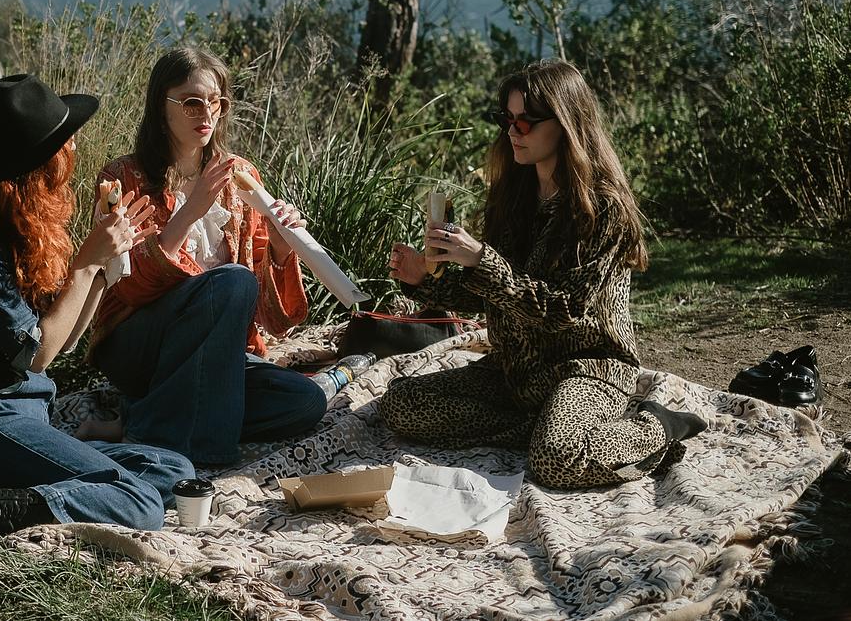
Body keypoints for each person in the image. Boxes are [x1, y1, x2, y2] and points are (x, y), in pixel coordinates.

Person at [378, 60, 706, 490]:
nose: (513, 131)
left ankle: (658, 427)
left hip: (587, 368)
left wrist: (483, 261)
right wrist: (426, 278)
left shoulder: (602, 208)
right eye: (507, 120)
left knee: (556, 461)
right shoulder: (514, 196)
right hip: (516, 372)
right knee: (402, 404)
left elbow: (563, 310)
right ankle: (547, 429)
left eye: (527, 121)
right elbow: (490, 299)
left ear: (567, 123)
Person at [0, 74, 195, 533]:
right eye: (60, 151)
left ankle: (13, 495)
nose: (68, 158)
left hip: (32, 416)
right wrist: (85, 264)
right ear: (30, 171)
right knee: (139, 504)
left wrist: (102, 266)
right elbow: (36, 354)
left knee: (173, 472)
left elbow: (67, 340)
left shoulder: (20, 226)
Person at [84, 47, 327, 466]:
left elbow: (274, 319)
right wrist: (191, 210)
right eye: (193, 102)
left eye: (216, 102)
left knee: (305, 400)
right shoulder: (121, 178)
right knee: (231, 281)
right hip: (139, 346)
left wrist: (282, 249)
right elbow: (127, 286)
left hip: (215, 356)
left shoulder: (241, 177)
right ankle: (204, 452)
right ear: (162, 108)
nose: (207, 114)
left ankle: (138, 422)